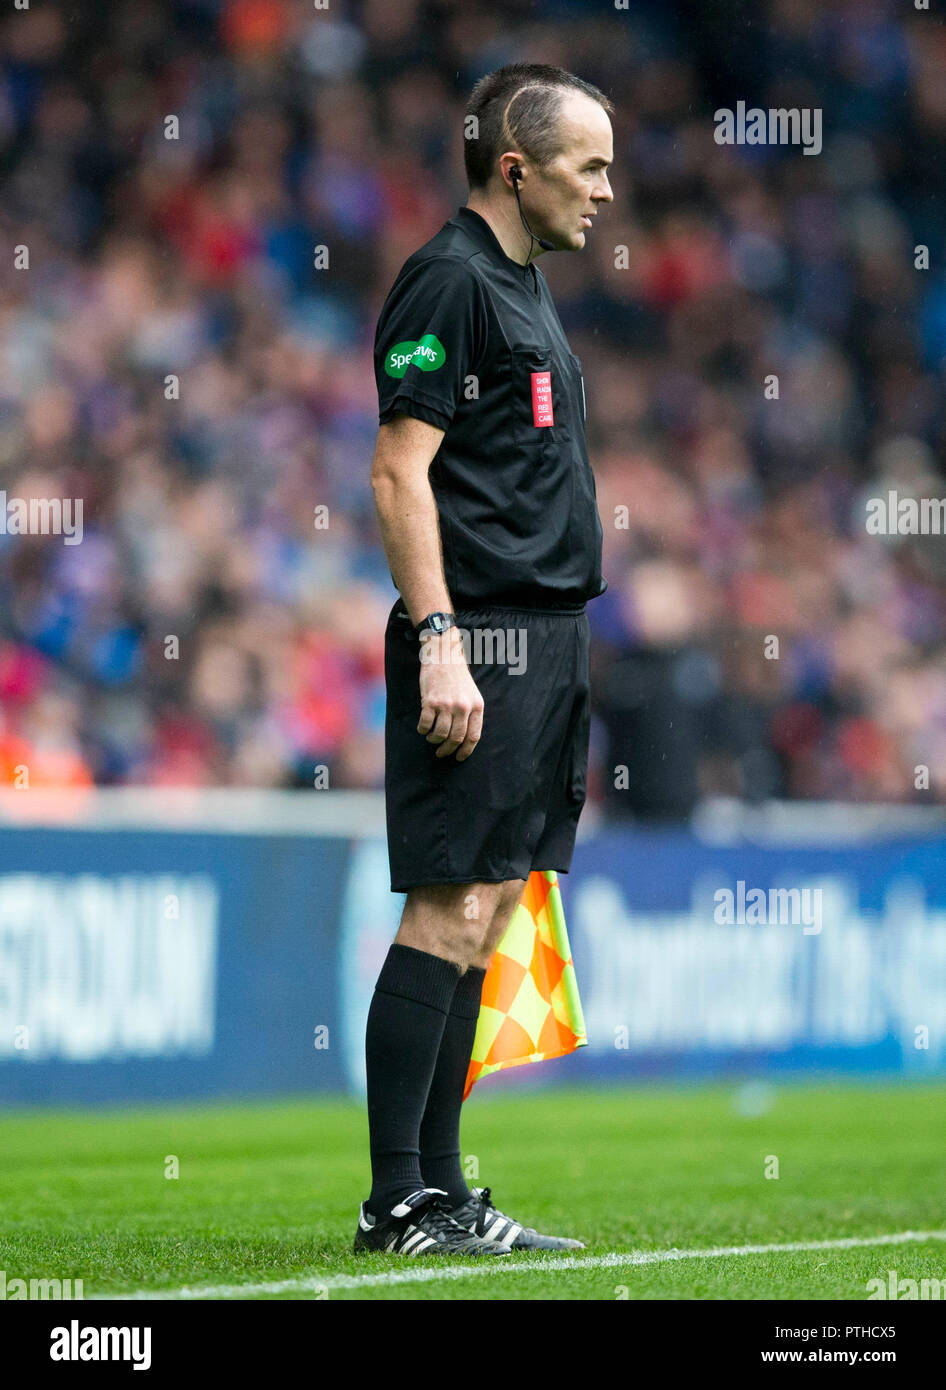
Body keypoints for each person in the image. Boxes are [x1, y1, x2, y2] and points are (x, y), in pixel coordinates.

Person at [355, 63, 614, 1258]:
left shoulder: (520, 286)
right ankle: (396, 1201)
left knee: (491, 903)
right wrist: (444, 644)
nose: (606, 190)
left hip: (546, 641)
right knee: (449, 902)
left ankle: (445, 1192)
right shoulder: (449, 281)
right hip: (483, 636)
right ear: (516, 166)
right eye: (589, 165)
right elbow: (398, 473)